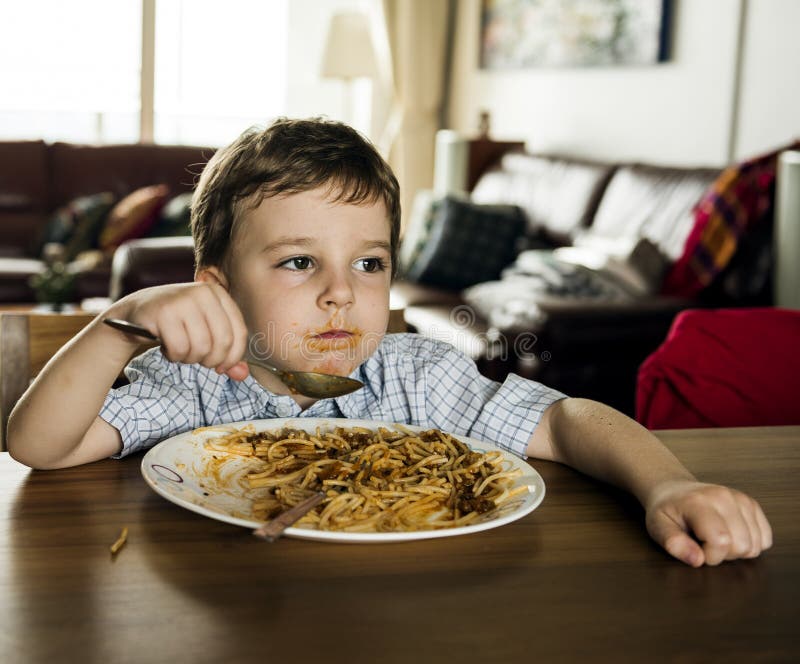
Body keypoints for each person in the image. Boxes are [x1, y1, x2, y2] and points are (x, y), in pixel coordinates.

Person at [7, 118, 772, 567]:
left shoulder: (418, 377)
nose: (342, 292)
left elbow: (571, 421)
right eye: (299, 262)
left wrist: (666, 485)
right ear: (217, 286)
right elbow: (37, 446)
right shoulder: (192, 385)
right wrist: (120, 326)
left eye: (369, 263)